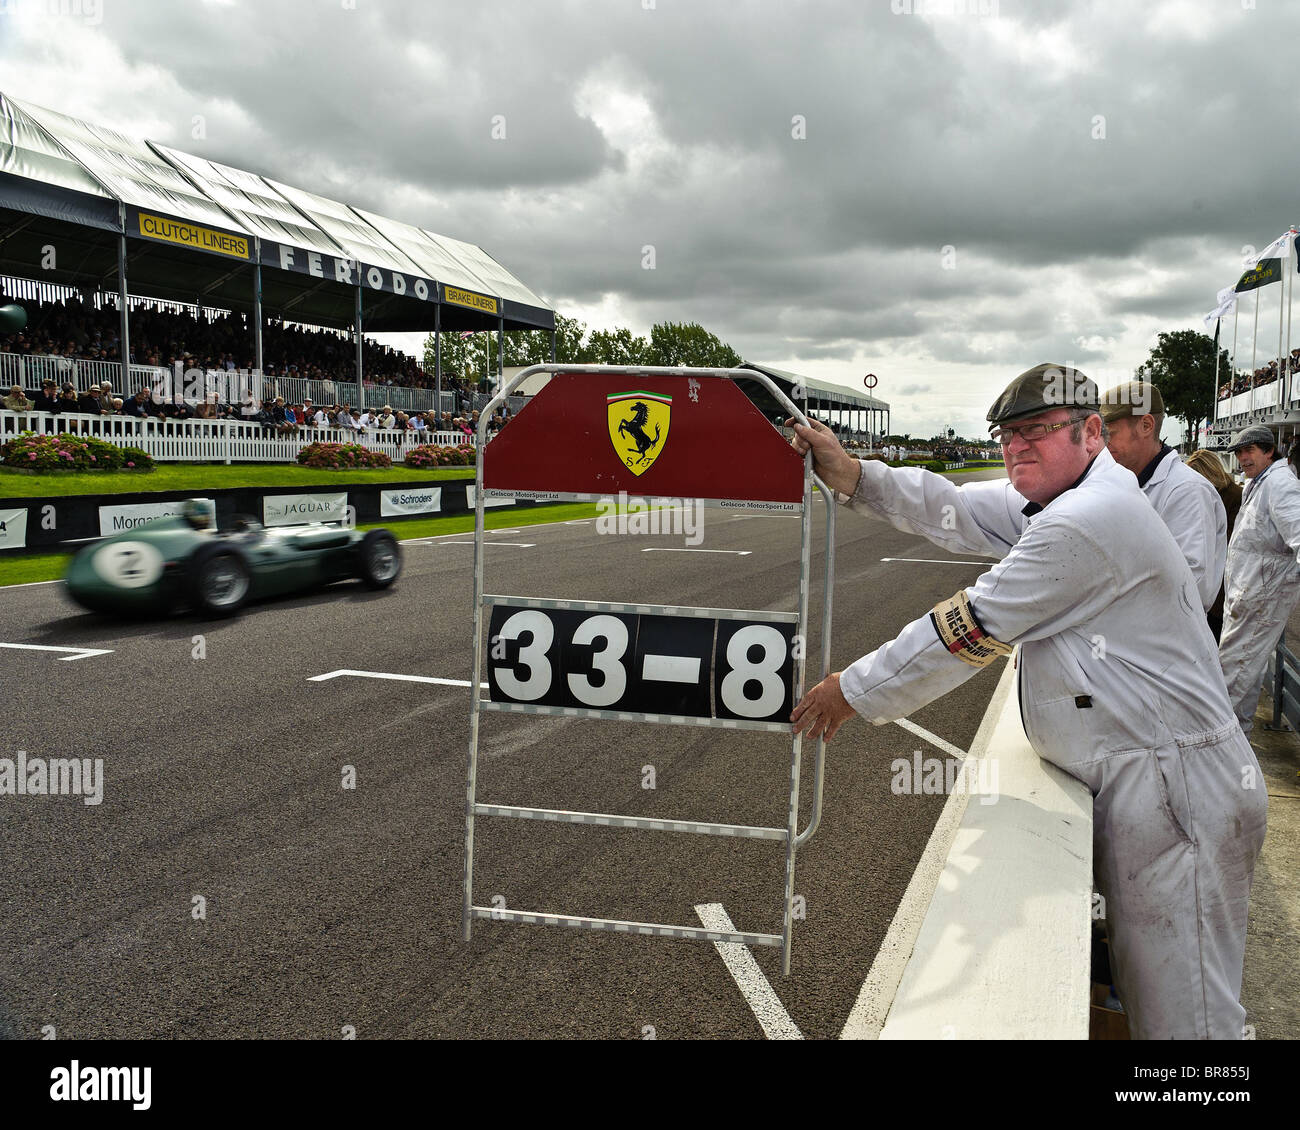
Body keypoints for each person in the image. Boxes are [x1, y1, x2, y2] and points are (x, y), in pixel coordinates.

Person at [789, 363, 1267, 1040]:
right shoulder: (1071, 498)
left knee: (1191, 1025)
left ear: (1091, 431)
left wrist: (851, 691)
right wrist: (857, 475)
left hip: (1176, 791)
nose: (1017, 447)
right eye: (1008, 434)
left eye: (1037, 431)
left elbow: (968, 628)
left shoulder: (1087, 518)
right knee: (1158, 1009)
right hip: (1158, 781)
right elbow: (954, 507)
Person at [1100, 380, 1226, 613]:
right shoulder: (1123, 482)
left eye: (1111, 434)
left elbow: (1194, 588)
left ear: (1146, 425)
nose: (1103, 444)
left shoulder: (1187, 491)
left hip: (1164, 638)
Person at [1217, 425, 1300, 735]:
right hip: (1248, 596)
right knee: (1246, 675)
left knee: (1232, 674)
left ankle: (1217, 744)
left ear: (1269, 451)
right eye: (1239, 453)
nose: (1242, 458)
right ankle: (1236, 742)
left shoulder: (1279, 484)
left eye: (1249, 451)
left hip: (1261, 598)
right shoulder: (1260, 482)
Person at [1185, 449, 1243, 640]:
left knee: (1217, 632)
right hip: (1217, 577)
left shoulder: (1233, 497)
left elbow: (1229, 540)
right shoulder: (1224, 494)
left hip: (1225, 577)